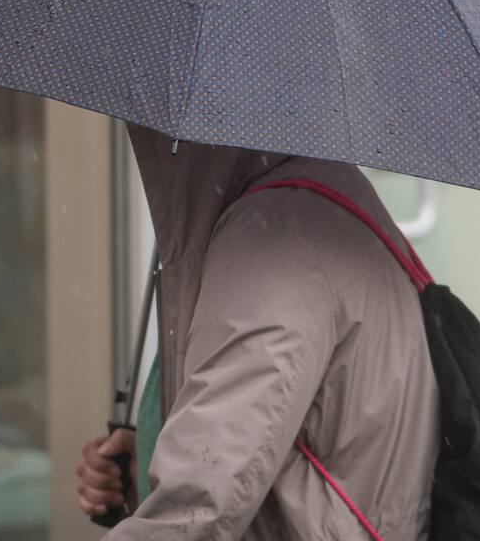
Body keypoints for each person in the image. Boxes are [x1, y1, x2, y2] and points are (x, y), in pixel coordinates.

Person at [76, 123, 440, 540]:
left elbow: (198, 507)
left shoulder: (278, 238)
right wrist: (149, 453)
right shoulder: (317, 198)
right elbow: (280, 438)